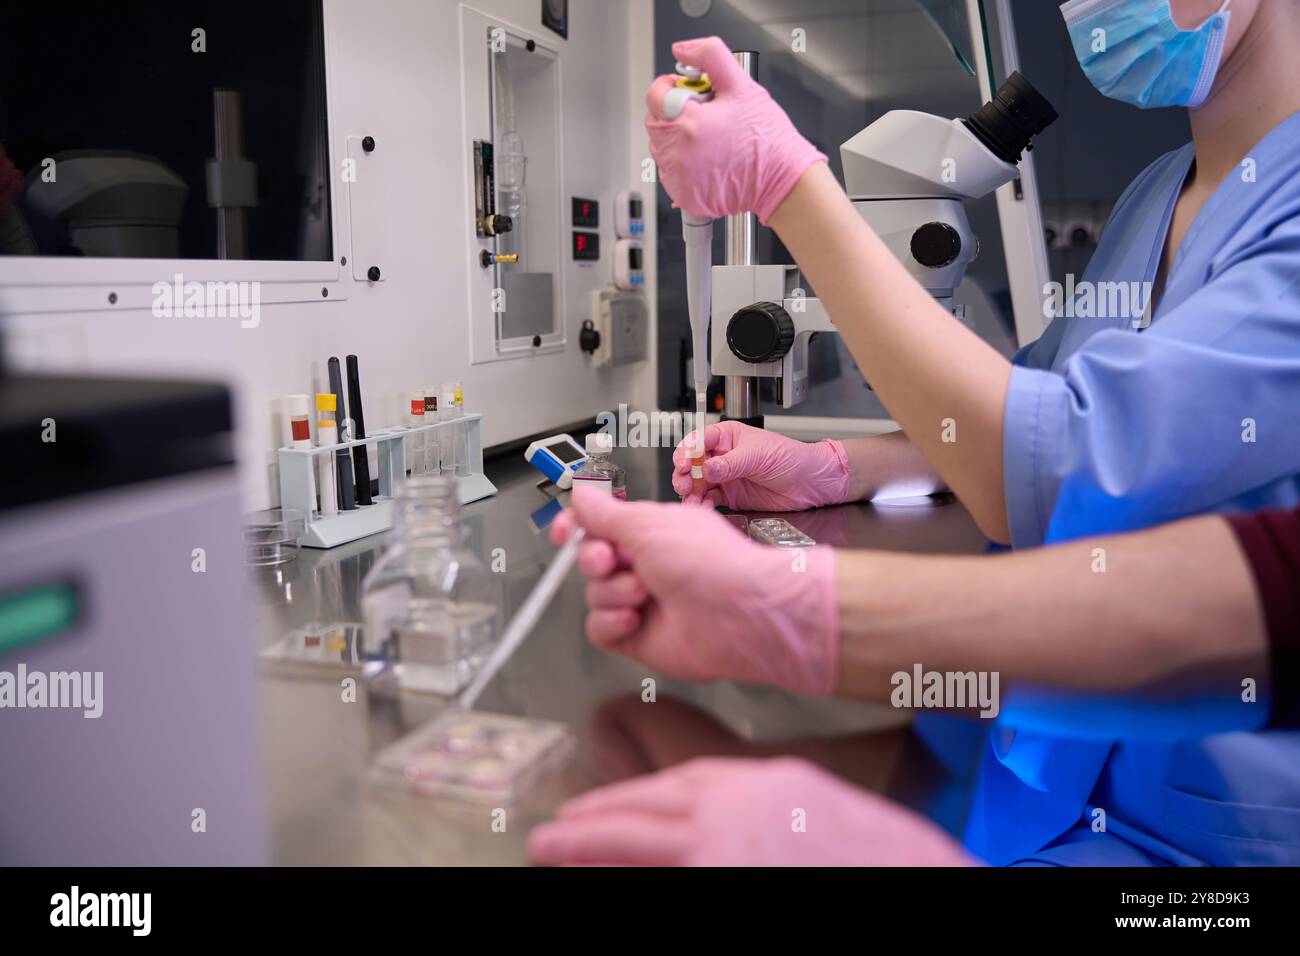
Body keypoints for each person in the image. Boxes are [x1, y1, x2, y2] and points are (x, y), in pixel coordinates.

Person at [556, 0, 1300, 865]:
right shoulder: (1161, 189)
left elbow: (1054, 469)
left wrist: (786, 184)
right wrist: (840, 469)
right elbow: (1038, 409)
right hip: (1048, 779)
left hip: (1200, 854)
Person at [529, 488, 1299, 866]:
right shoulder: (1154, 196)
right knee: (631, 748)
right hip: (1039, 771)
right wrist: (795, 612)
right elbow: (1270, 588)